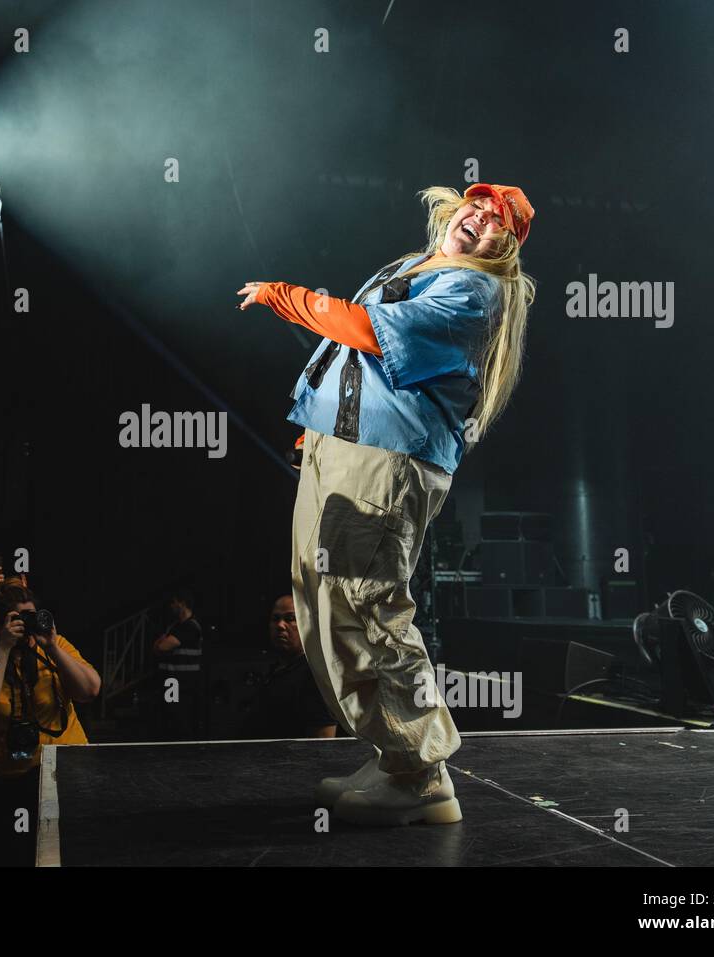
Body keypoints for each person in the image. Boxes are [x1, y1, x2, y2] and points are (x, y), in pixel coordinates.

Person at [237, 183, 536, 825]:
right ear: (454, 210)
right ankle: (393, 753)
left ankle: (423, 775)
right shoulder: (413, 265)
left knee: (367, 605)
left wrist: (284, 297)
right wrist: (316, 428)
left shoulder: (477, 290)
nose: (479, 222)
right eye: (475, 209)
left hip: (387, 458)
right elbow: (349, 361)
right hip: (342, 444)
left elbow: (366, 330)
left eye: (496, 228)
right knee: (322, 598)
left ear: (503, 252)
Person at [0, 582, 100, 866]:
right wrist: (3, 646)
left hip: (65, 771)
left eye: (32, 615)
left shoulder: (55, 645)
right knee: (14, 857)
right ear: (1, 622)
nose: (28, 623)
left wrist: (51, 646)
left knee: (67, 854)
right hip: (10, 779)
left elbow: (89, 691)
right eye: (19, 618)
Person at [252, 594, 337, 740]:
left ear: (306, 624)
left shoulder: (314, 675)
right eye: (275, 619)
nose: (280, 625)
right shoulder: (276, 671)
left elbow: (324, 742)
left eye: (290, 618)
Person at [151, 587, 204, 739]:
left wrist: (161, 643)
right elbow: (156, 648)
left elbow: (162, 646)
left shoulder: (191, 626)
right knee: (169, 719)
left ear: (182, 603)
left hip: (183, 685)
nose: (171, 606)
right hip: (170, 682)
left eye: (174, 602)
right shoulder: (174, 626)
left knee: (180, 721)